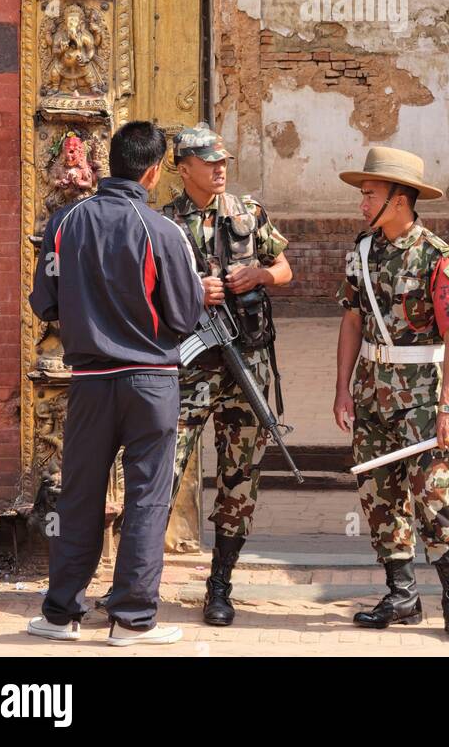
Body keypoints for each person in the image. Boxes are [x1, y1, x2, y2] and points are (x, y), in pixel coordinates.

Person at [27, 120, 207, 646]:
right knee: (147, 496)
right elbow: (185, 313)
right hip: (151, 382)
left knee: (79, 495)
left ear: (110, 164)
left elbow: (46, 302)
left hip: (89, 381)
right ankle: (130, 620)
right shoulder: (163, 232)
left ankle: (61, 615)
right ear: (153, 173)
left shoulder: (65, 223)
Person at [333, 145, 449, 644]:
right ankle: (402, 595)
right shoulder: (362, 251)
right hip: (372, 394)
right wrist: (342, 390)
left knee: (434, 496)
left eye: (369, 193)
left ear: (399, 198)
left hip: (422, 396)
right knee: (379, 496)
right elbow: (352, 320)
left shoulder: (440, 258)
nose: (361, 201)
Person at [163, 123, 292, 626]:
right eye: (208, 161)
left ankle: (221, 585)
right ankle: (139, 582)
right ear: (183, 168)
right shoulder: (164, 223)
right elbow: (144, 292)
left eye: (223, 161)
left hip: (248, 366)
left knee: (240, 480)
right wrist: (192, 291)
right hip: (189, 371)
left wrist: (258, 275)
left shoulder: (248, 213)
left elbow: (284, 268)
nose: (219, 168)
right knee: (162, 474)